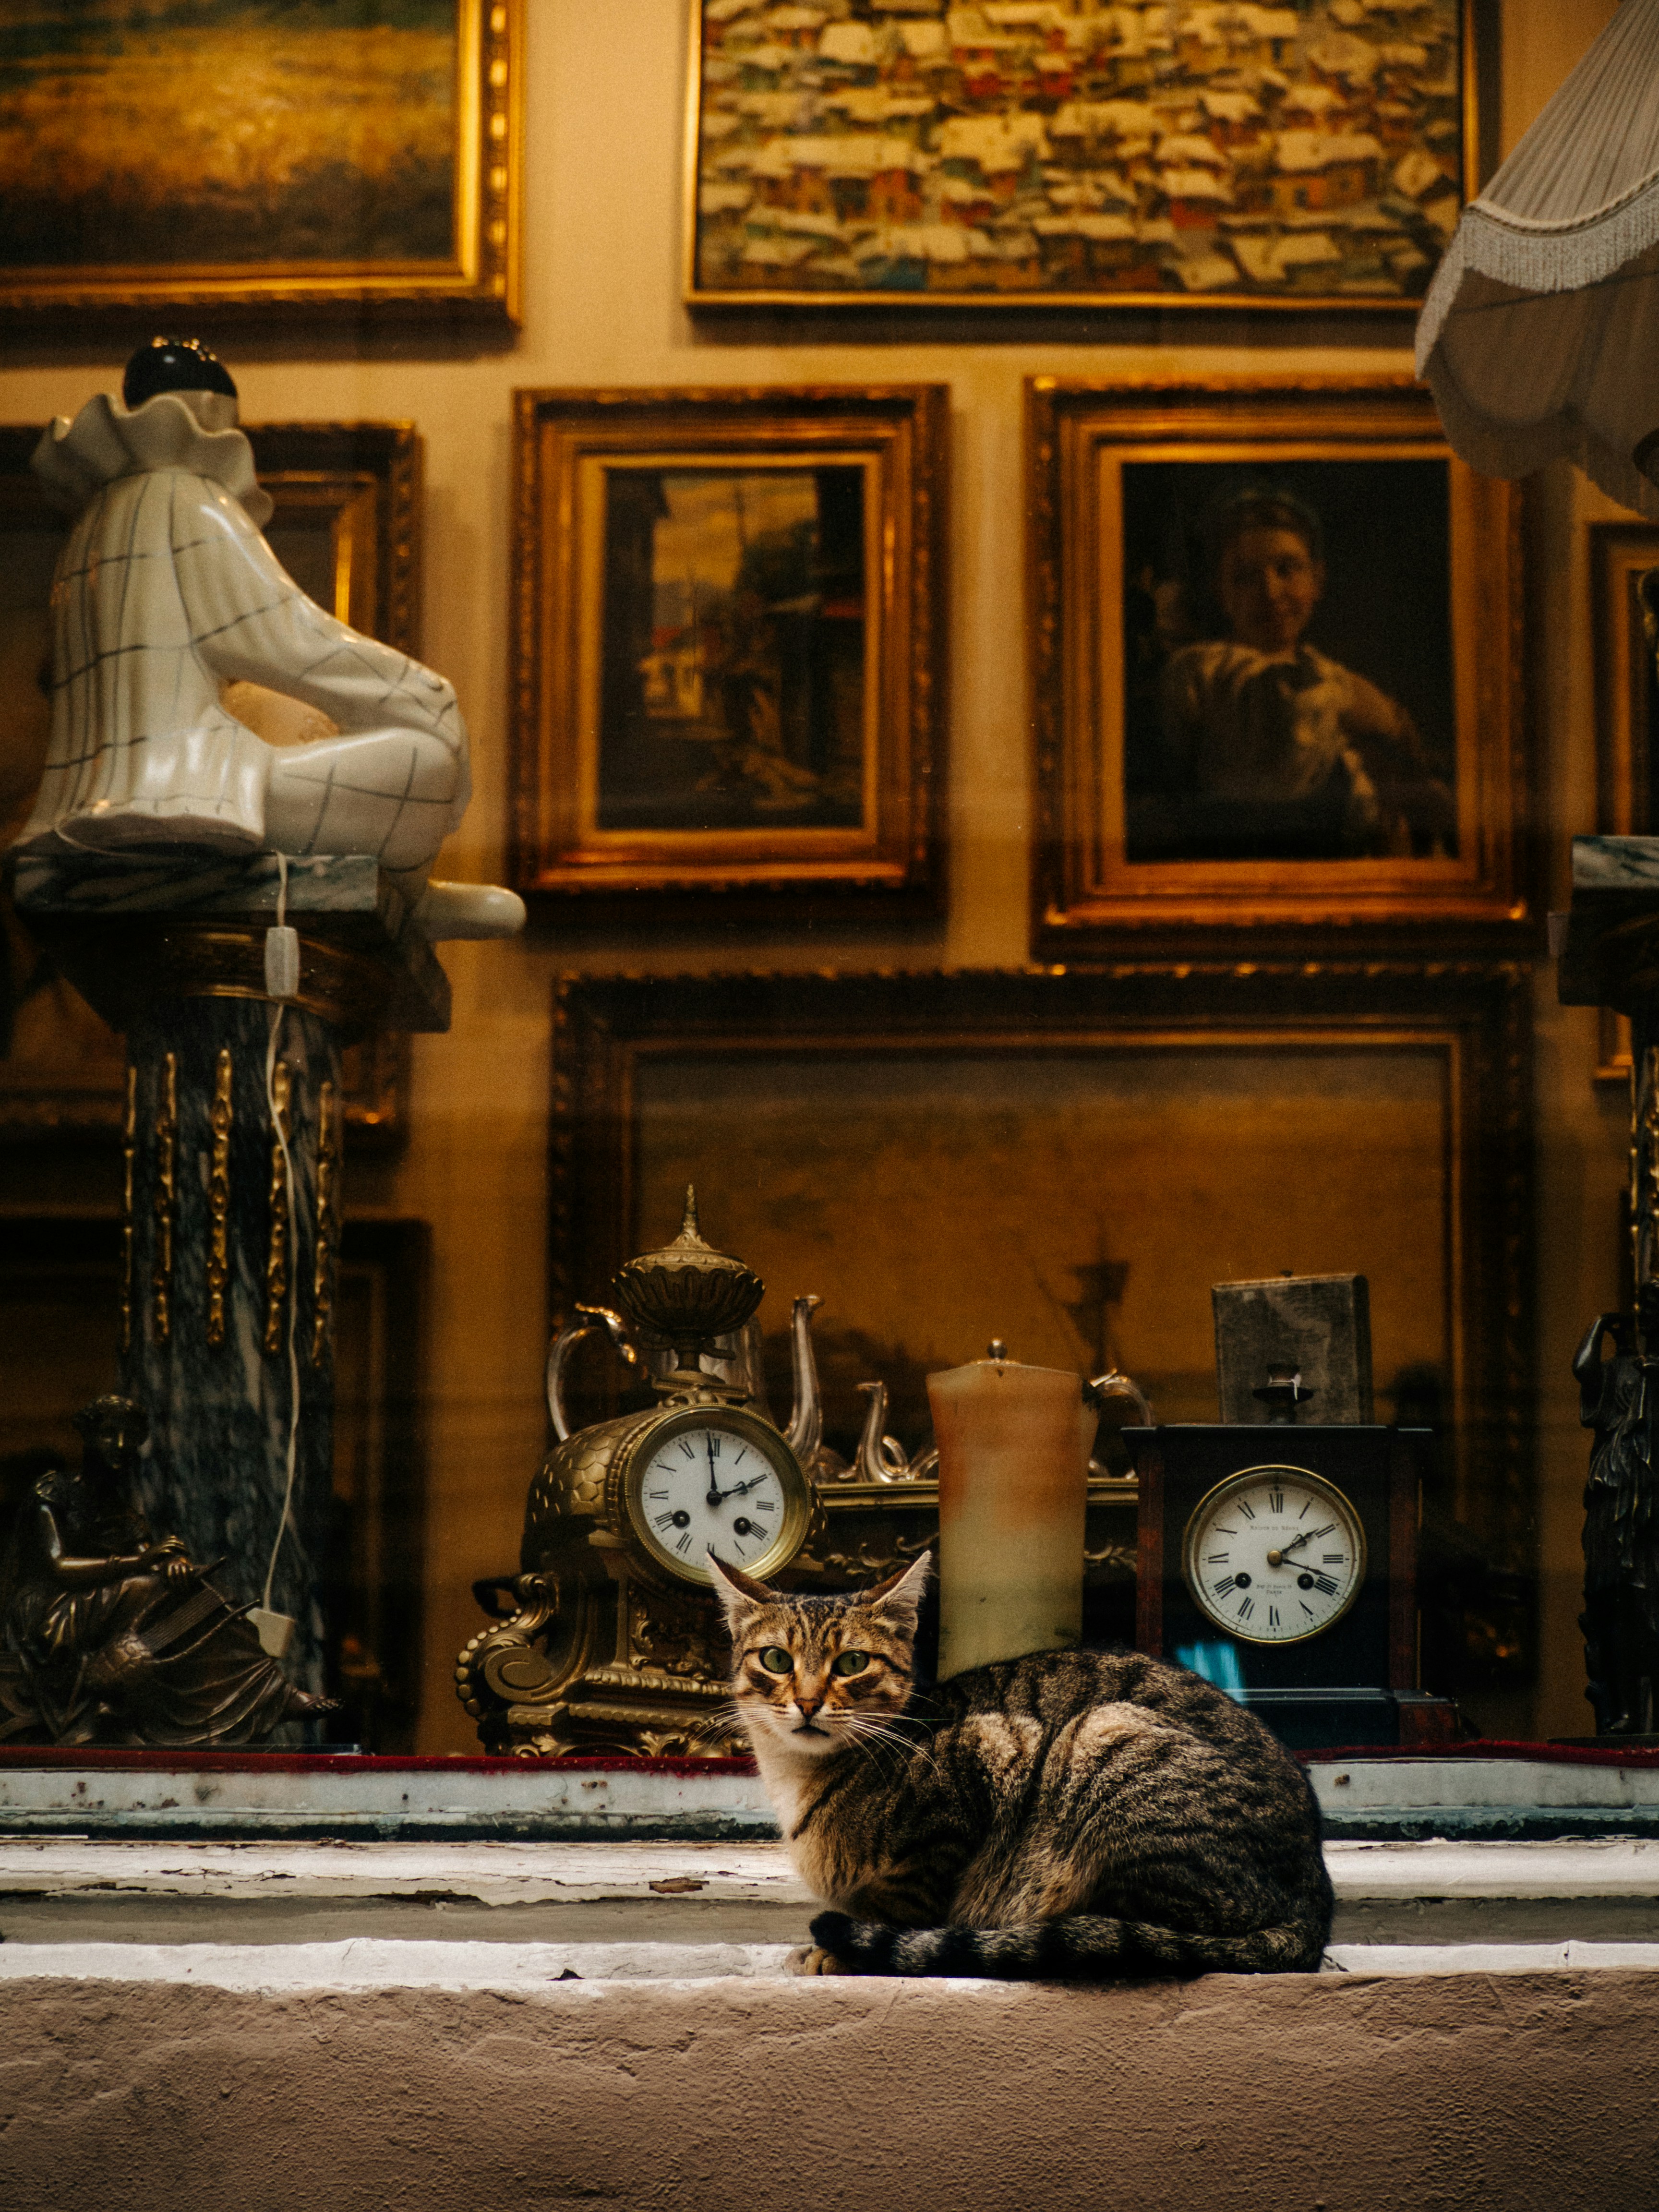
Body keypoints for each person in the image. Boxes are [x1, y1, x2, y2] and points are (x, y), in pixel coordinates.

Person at [11, 337, 521, 940]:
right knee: (424, 762)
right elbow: (291, 642)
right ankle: (411, 899)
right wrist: (433, 701)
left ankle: (407, 893)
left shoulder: (94, 522)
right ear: (216, 414)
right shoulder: (185, 500)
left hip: (93, 800)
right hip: (183, 794)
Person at [1130, 487, 1455, 864]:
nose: (1270, 592)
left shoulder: (1328, 676)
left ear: (1317, 579)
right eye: (1244, 577)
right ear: (1220, 591)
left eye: (1287, 569)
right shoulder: (1199, 672)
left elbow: (1400, 740)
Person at [0, 1395, 335, 1747]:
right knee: (141, 1589)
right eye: (109, 1434)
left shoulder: (123, 1514)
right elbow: (60, 1568)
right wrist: (144, 1564)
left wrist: (175, 1567)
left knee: (189, 1590)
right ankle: (269, 1696)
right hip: (48, 1611)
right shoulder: (53, 1492)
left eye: (129, 1438)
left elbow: (153, 1565)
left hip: (97, 1604)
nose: (119, 1446)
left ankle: (266, 1693)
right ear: (87, 1437)